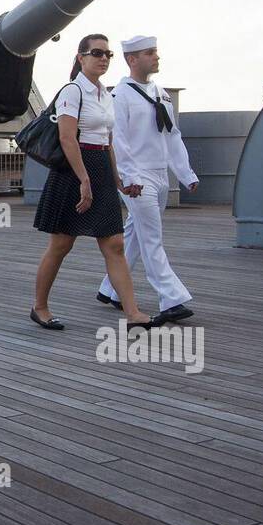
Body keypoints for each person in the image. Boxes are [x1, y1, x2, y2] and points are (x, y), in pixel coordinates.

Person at [30, 34, 151, 332]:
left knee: (115, 243)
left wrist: (117, 179)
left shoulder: (106, 94)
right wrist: (84, 179)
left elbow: (107, 142)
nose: (104, 58)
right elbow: (67, 138)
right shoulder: (73, 90)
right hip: (74, 169)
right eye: (97, 52)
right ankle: (40, 307)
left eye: (108, 54)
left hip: (99, 167)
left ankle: (133, 312)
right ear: (80, 57)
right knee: (61, 244)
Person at [94, 36, 198, 326]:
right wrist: (129, 177)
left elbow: (172, 135)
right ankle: (172, 298)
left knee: (137, 234)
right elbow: (119, 140)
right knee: (152, 238)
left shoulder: (161, 93)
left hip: (159, 175)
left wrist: (185, 173)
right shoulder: (121, 96)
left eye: (156, 52)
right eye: (150, 53)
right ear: (132, 59)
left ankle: (110, 288)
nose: (156, 57)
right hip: (138, 177)